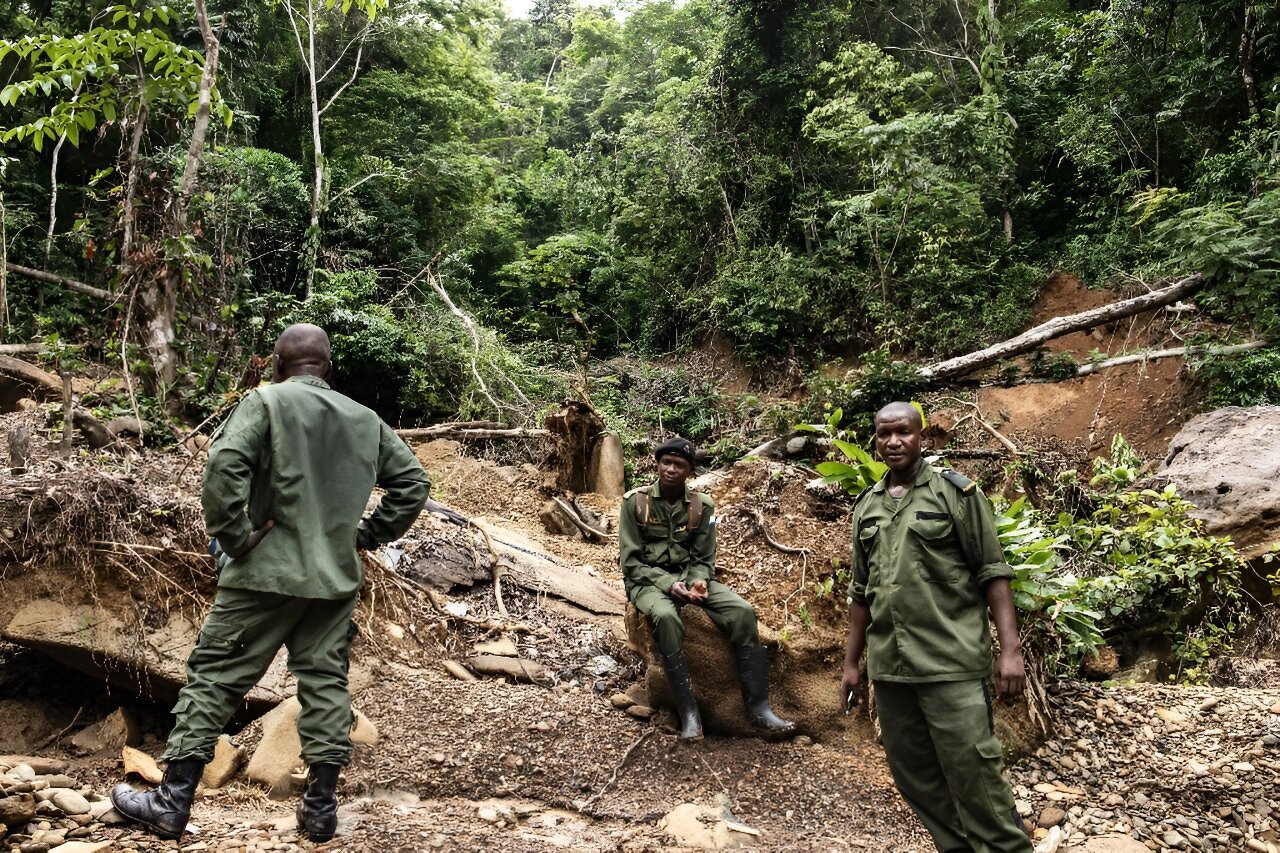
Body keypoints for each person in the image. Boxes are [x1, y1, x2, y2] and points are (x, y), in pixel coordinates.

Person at [111, 324, 431, 843]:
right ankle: (321, 810)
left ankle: (171, 803)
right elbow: (413, 483)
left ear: (277, 364)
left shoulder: (264, 402)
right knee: (325, 685)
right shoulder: (365, 419)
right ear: (327, 367)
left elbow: (224, 464)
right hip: (333, 579)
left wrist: (235, 537)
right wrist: (365, 535)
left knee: (215, 677)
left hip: (263, 574)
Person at [840, 401, 1032, 852]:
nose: (893, 442)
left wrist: (1011, 650)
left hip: (950, 663)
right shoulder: (866, 506)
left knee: (975, 775)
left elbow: (993, 572)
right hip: (891, 668)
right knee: (914, 776)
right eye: (884, 434)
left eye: (903, 432)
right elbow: (859, 592)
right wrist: (852, 664)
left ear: (922, 437)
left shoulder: (956, 495)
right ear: (875, 439)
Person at [619, 436, 793, 740]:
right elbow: (630, 563)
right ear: (657, 464)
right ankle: (689, 714)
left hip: (687, 577)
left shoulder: (703, 506)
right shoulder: (636, 502)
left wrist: (698, 580)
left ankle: (759, 709)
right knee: (668, 618)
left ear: (690, 471)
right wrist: (668, 584)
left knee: (742, 613)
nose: (671, 469)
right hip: (647, 581)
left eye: (680, 465)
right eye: (667, 463)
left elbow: (703, 558)